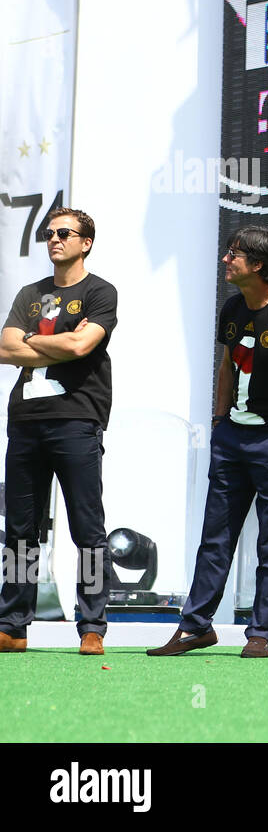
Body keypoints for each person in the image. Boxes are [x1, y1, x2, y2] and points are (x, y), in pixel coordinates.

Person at [150, 226, 268, 658]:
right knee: (215, 537)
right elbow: (228, 363)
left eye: (236, 254)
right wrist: (218, 420)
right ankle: (195, 627)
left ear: (260, 266)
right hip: (232, 439)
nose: (227, 259)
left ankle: (260, 633)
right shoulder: (232, 308)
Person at [0, 209, 117, 655]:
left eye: (64, 233)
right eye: (49, 233)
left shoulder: (100, 292)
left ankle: (91, 626)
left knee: (87, 530)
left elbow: (81, 345)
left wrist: (29, 342)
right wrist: (48, 343)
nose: (54, 239)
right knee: (20, 533)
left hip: (76, 419)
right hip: (25, 423)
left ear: (85, 242)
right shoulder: (30, 294)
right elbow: (4, 348)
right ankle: (13, 625)